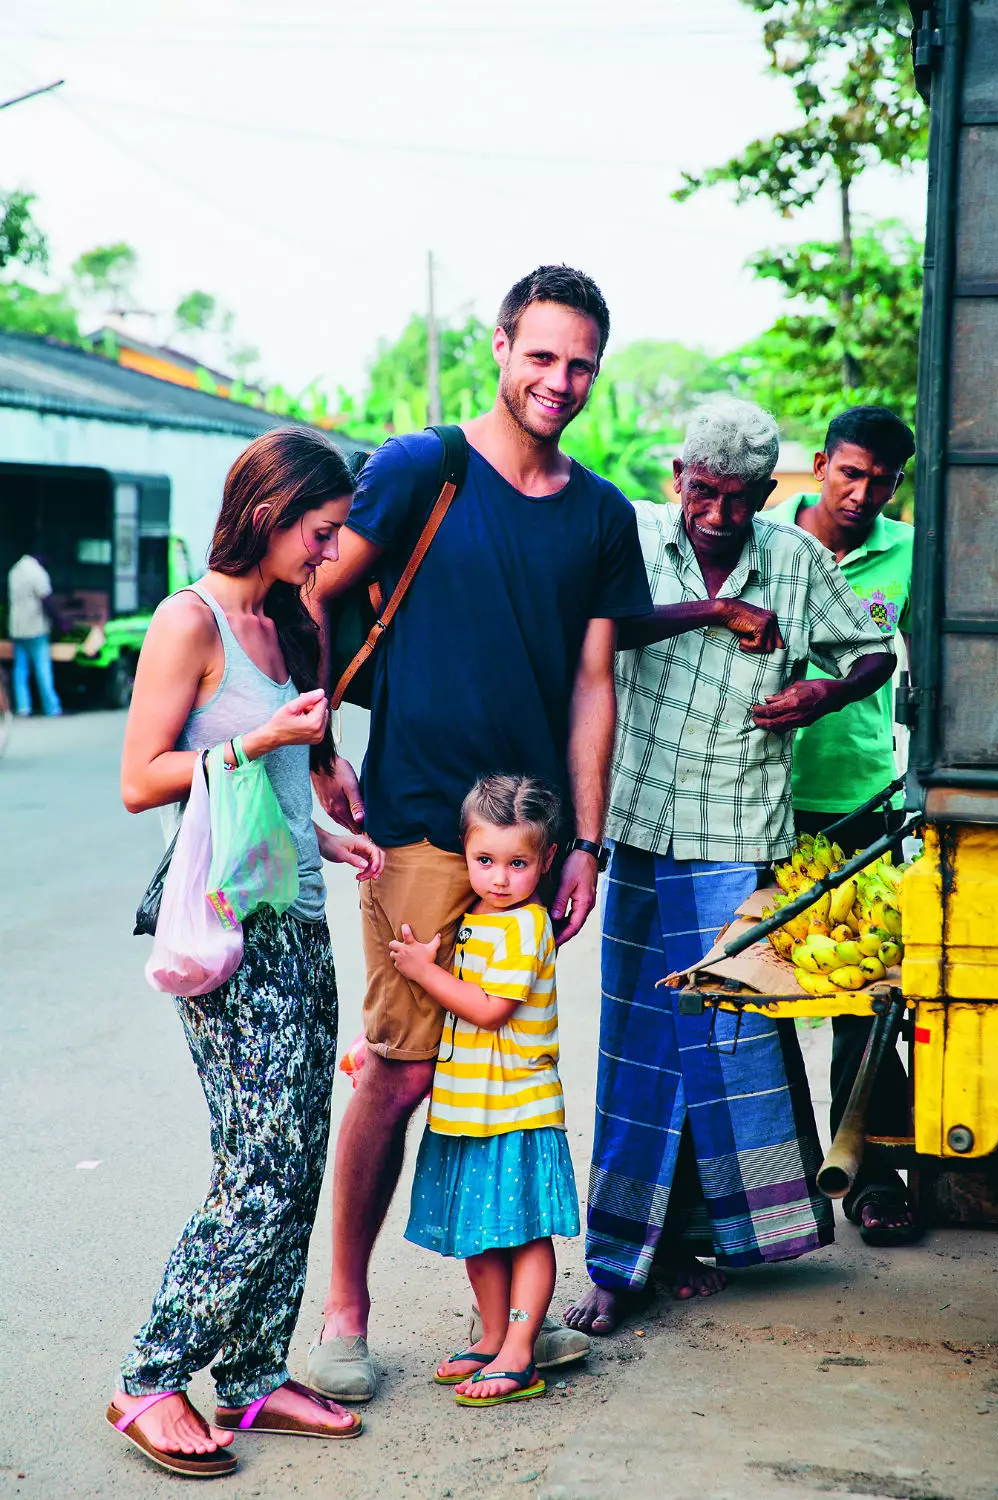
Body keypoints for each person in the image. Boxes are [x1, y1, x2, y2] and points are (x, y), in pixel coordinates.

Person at [305, 265, 652, 1401]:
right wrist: (316, 750)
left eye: (581, 364)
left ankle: (503, 1320)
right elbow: (315, 589)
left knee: (508, 1075)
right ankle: (344, 1308)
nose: (560, 380)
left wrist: (586, 842)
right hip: (415, 817)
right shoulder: (423, 468)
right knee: (403, 1075)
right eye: (542, 355)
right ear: (500, 347)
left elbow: (594, 684)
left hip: (532, 843)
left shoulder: (601, 513)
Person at [564, 399, 897, 1337]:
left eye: (739, 499)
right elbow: (597, 631)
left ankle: (730, 1235)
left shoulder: (795, 558)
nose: (717, 514)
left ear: (765, 492)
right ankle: (624, 1257)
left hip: (741, 824)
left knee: (723, 1038)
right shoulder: (632, 536)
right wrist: (712, 609)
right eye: (702, 492)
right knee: (639, 1038)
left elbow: (873, 653)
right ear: (678, 476)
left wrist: (822, 693)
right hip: (635, 820)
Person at [109, 428, 384, 1478]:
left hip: (296, 913)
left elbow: (265, 798)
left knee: (292, 1156)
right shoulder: (190, 621)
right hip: (227, 928)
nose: (327, 553)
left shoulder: (286, 624)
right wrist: (256, 744)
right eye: (319, 532)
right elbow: (142, 778)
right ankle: (150, 1378)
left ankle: (256, 1374)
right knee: (259, 1168)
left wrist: (327, 832)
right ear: (268, 516)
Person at [768, 405, 918, 1247]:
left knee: (867, 997)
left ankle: (867, 1174)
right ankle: (778, 1180)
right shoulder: (765, 538)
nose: (860, 493)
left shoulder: (908, 554)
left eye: (880, 480)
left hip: (862, 796)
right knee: (764, 1000)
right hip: (762, 799)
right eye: (849, 472)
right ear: (821, 463)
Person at [390, 774, 578, 1408]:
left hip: (517, 1105)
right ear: (465, 852)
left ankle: (521, 1350)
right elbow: (447, 1009)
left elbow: (489, 1008)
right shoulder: (472, 917)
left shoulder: (526, 925)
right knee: (480, 1232)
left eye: (518, 862)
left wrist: (421, 969)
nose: (500, 877)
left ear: (546, 861)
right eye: (486, 860)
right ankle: (493, 1335)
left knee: (524, 1233)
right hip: (470, 1105)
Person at [6, 551, 62, 717]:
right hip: (36, 628)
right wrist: (59, 621)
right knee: (42, 669)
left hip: (17, 627)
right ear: (41, 556)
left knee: (20, 670)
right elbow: (47, 601)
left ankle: (23, 707)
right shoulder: (38, 573)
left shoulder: (14, 571)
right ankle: (51, 707)